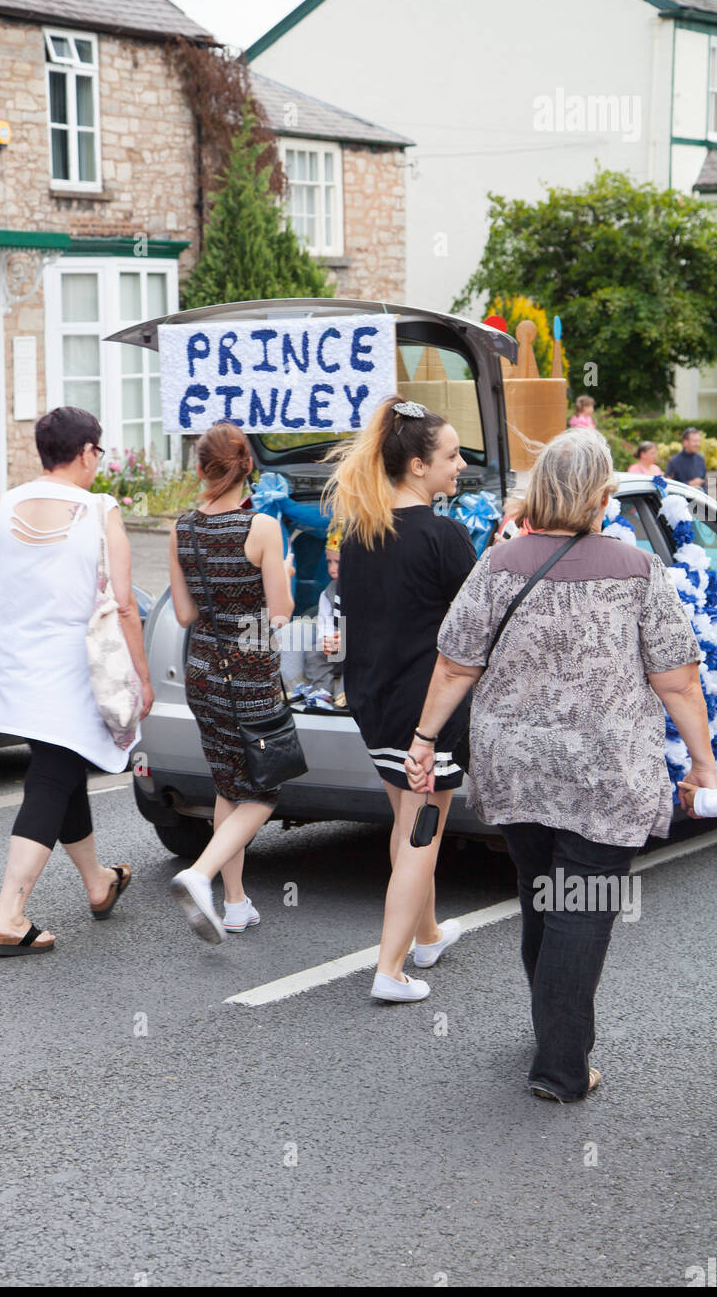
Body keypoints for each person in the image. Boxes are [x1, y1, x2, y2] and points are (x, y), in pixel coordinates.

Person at [406, 428, 715, 1099]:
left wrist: (424, 740)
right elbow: (677, 678)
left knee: (539, 890)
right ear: (602, 495)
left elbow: (456, 663)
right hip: (604, 774)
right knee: (582, 901)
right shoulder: (634, 570)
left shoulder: (496, 565)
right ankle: (560, 1067)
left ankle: (552, 1030)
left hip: (514, 768)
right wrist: (704, 764)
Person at [0, 406, 153, 956]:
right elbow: (125, 605)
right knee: (53, 777)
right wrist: (142, 678)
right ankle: (9, 914)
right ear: (86, 451)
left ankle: (98, 882)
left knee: (61, 768)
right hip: (74, 673)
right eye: (98, 452)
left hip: (15, 671)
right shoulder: (100, 510)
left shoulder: (0, 506)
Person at [324, 395, 477, 1003]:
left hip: (372, 700)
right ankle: (390, 969)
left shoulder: (360, 534)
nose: (460, 464)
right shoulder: (443, 536)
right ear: (417, 465)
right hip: (427, 714)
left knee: (409, 819)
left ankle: (430, 934)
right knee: (422, 832)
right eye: (451, 454)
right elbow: (479, 626)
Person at [169, 422, 295, 943]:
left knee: (229, 782)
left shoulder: (183, 528)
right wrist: (282, 570)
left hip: (202, 671)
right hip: (249, 674)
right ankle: (200, 875)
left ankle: (237, 902)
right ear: (249, 468)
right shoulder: (262, 528)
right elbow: (282, 614)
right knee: (263, 793)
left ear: (201, 469)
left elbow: (182, 613)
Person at [303, 523, 344, 699]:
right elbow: (325, 621)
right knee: (314, 653)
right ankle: (321, 692)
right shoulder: (328, 593)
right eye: (329, 561)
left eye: (338, 562)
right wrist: (327, 640)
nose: (332, 568)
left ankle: (344, 695)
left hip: (359, 645)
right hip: (336, 647)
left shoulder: (367, 588)